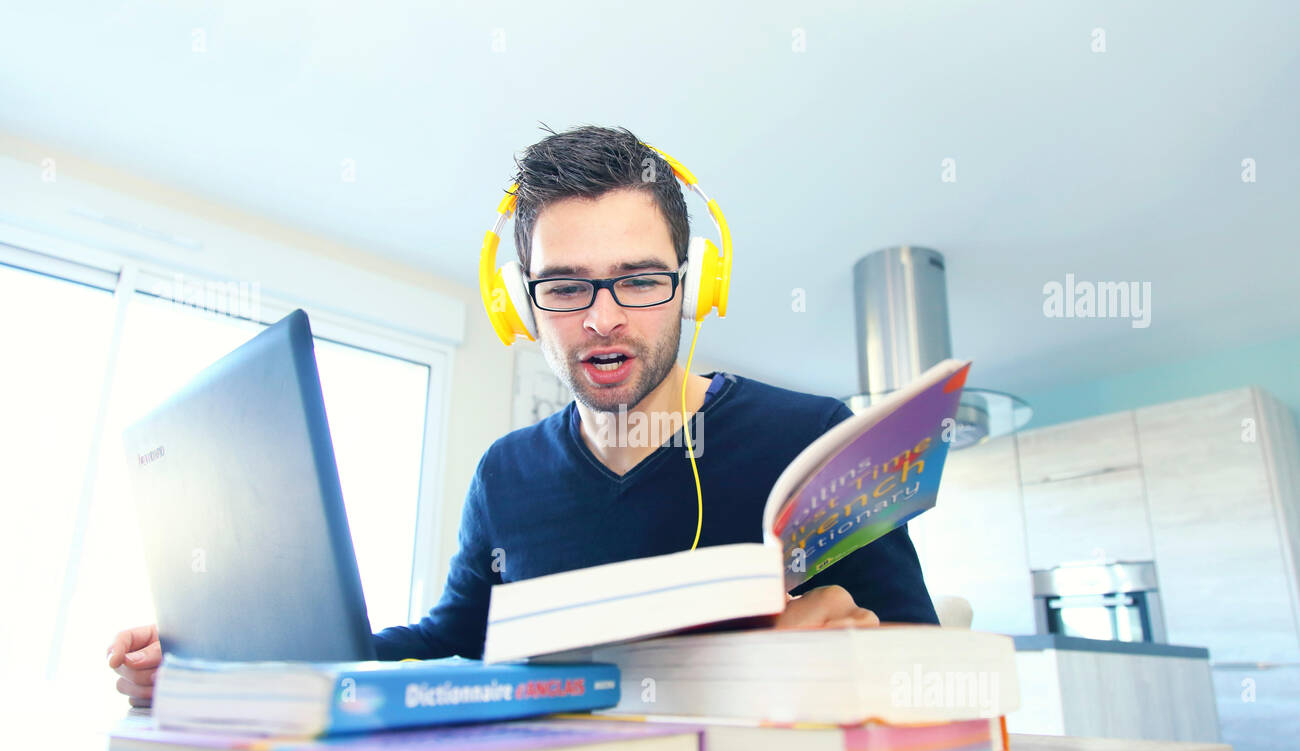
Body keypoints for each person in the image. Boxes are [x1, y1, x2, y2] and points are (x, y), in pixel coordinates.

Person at [108, 125, 938, 704]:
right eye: (566, 286)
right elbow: (451, 638)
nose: (604, 318)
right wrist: (224, 665)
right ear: (521, 307)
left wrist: (848, 667)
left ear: (695, 285)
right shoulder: (505, 474)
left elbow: (927, 674)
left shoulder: (814, 435)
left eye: (640, 280)